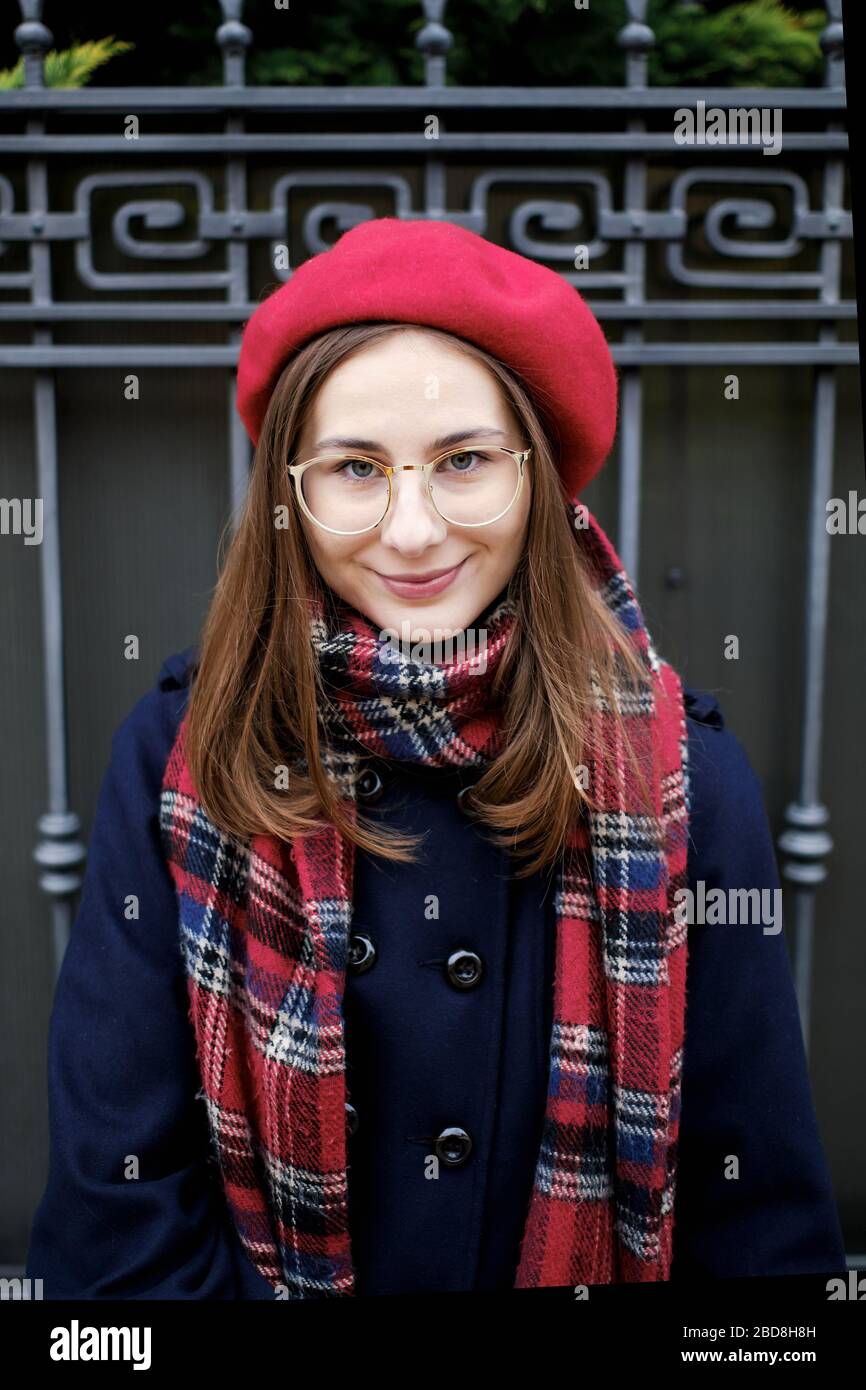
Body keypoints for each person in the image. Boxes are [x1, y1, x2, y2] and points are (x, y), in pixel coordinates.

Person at [27, 218, 846, 1299]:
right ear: (292, 494)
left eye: (462, 461)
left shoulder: (677, 773)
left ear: (539, 477)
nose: (411, 530)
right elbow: (119, 1200)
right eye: (354, 469)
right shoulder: (188, 746)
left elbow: (751, 1214)